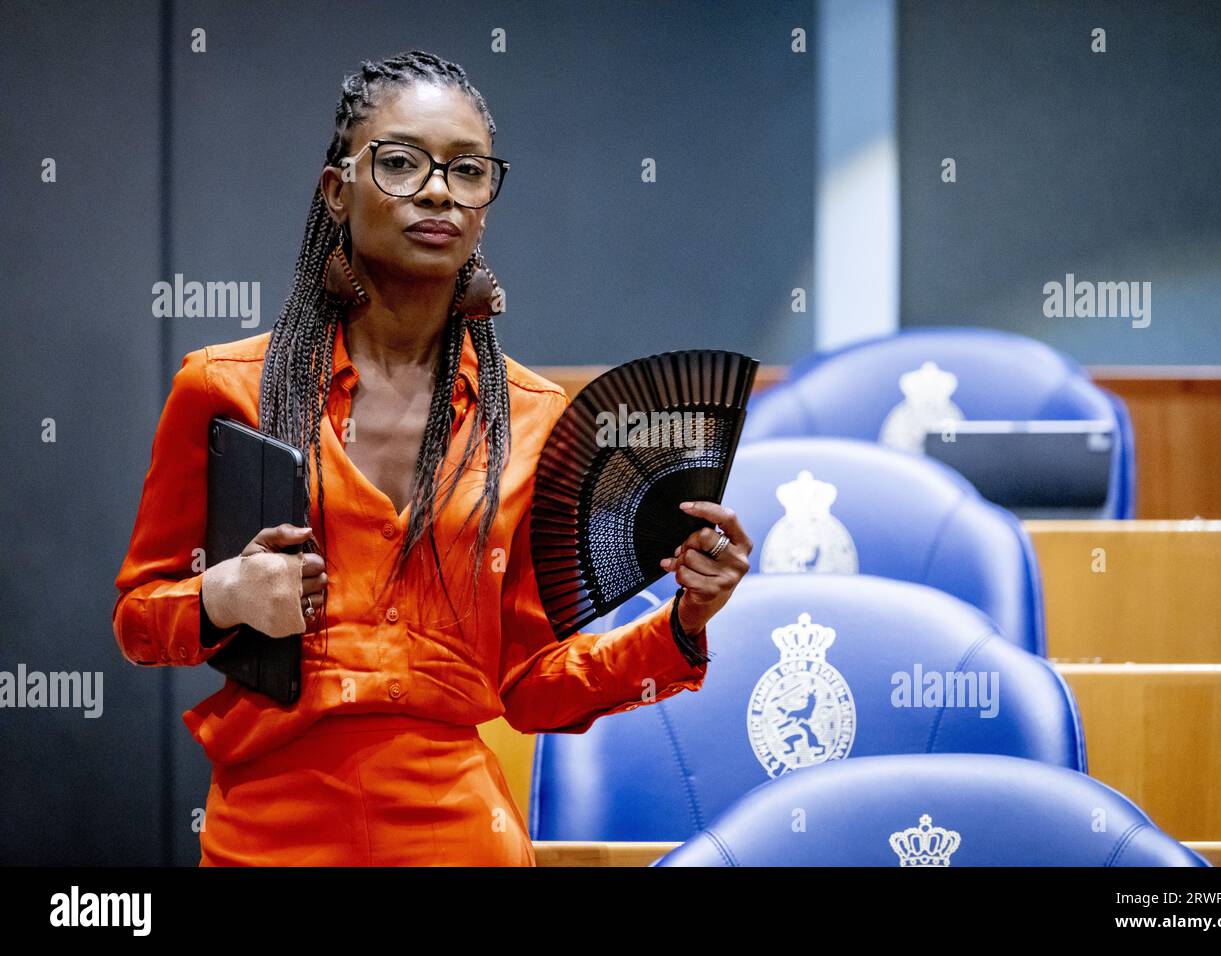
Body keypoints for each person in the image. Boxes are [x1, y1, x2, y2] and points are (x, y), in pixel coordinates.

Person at [111, 50, 751, 866]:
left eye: (468, 170)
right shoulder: (223, 388)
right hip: (267, 832)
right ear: (338, 189)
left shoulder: (532, 419)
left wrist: (682, 625)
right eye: (402, 163)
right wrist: (224, 596)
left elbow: (532, 688)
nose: (440, 189)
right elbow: (138, 622)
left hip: (458, 835)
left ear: (486, 204)